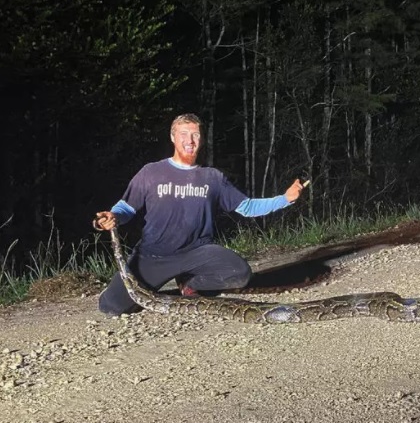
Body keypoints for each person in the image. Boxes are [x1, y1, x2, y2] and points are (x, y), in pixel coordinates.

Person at [92, 113, 307, 317]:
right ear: (173, 137)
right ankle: (129, 288)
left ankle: (189, 282)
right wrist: (112, 217)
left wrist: (285, 199)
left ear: (201, 139)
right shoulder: (151, 172)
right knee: (112, 306)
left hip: (198, 252)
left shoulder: (212, 178)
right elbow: (126, 208)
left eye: (195, 134)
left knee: (239, 273)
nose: (190, 140)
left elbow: (247, 207)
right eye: (184, 134)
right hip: (154, 255)